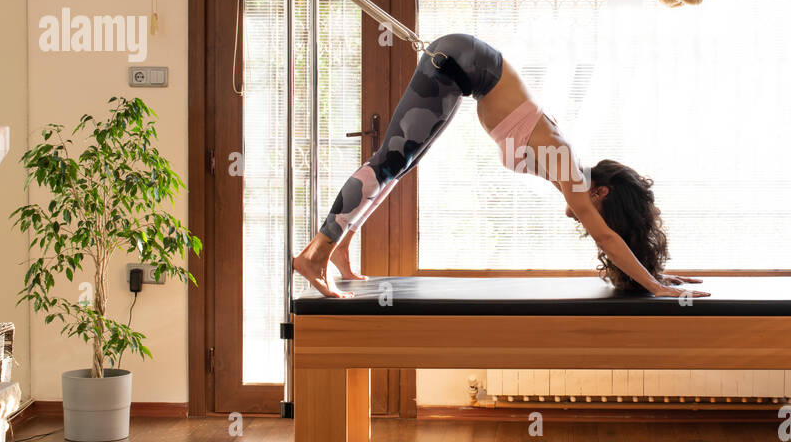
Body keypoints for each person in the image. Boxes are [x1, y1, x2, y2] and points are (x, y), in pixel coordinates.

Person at [292, 33, 709, 300]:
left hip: (467, 69)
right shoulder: (571, 174)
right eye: (601, 215)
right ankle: (314, 255)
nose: (587, 222)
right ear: (602, 193)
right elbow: (608, 239)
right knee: (388, 162)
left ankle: (341, 247)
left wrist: (658, 273)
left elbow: (609, 236)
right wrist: (654, 285)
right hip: (462, 60)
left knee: (396, 168)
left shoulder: (563, 164)